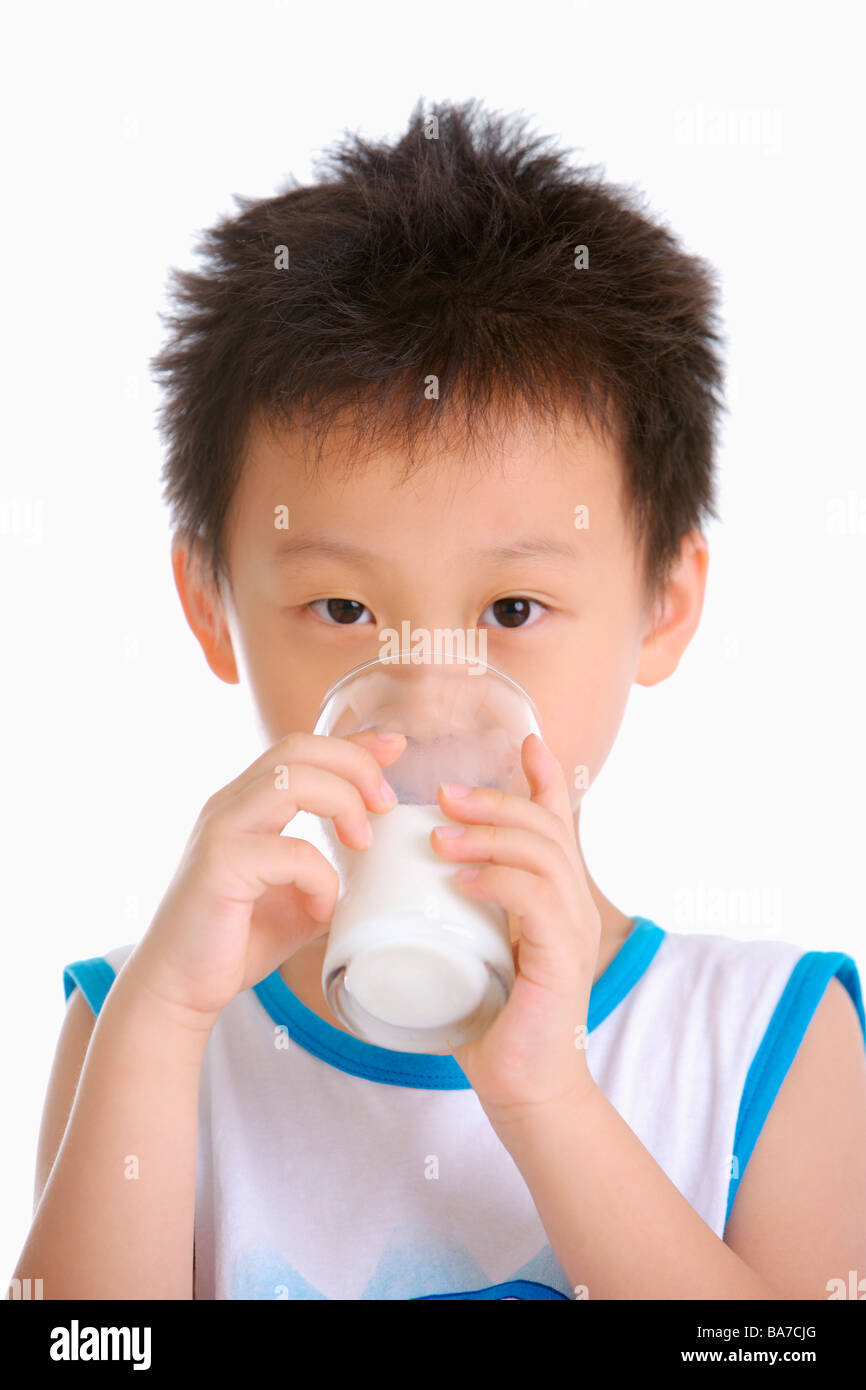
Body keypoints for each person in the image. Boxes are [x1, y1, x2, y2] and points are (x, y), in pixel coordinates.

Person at [12, 97, 866, 1300]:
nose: (426, 701)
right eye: (346, 612)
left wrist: (545, 1097)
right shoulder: (140, 1027)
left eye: (512, 612)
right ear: (212, 604)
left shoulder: (757, 1037)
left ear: (662, 604)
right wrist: (156, 1023)